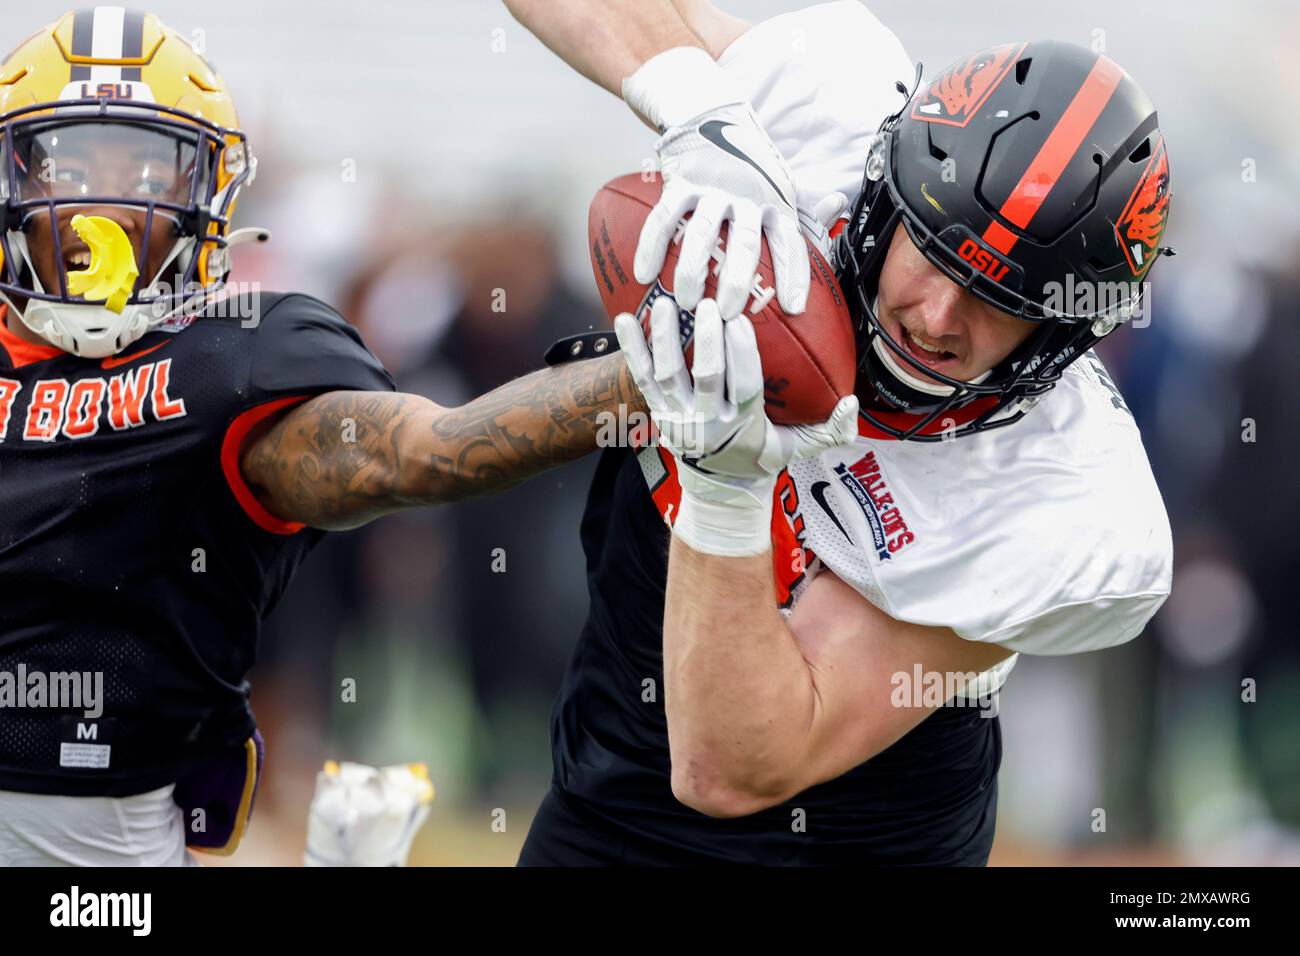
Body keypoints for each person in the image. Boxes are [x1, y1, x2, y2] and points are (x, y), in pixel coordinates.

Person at [502, 0, 1174, 864]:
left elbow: (734, 768)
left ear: (1062, 334)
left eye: (1000, 302)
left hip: (853, 829)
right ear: (886, 190)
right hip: (612, 750)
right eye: (935, 250)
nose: (936, 314)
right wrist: (700, 106)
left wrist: (724, 488)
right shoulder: (822, 115)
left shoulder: (1065, 493)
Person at [0, 6, 642, 866]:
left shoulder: (228, 358)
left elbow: (426, 449)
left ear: (210, 191)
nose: (103, 203)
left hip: (107, 842)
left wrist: (649, 373)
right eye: (70, 165)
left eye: (146, 167)